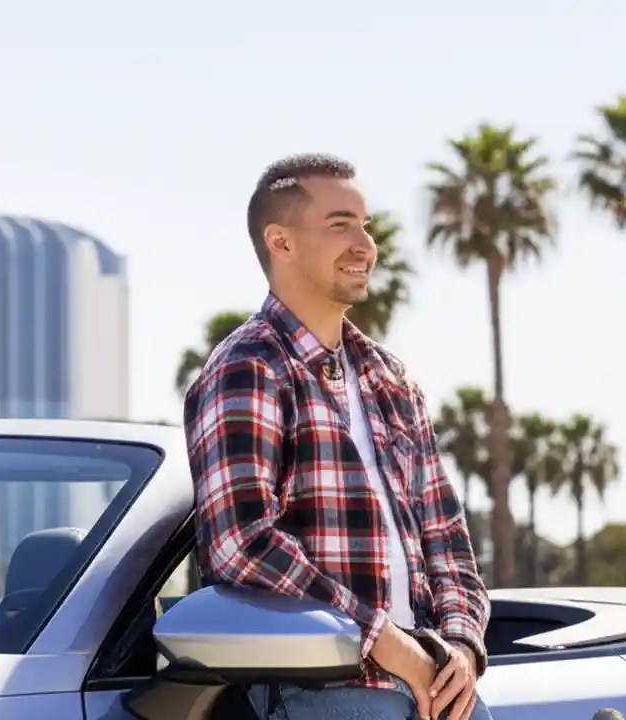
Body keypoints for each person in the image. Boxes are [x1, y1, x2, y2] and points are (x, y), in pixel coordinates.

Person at [183, 153, 493, 720]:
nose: (365, 244)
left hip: (444, 699)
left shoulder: (390, 378)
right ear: (281, 242)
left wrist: (462, 650)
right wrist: (388, 642)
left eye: (365, 225)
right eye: (340, 224)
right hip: (324, 697)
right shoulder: (248, 368)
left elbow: (448, 542)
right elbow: (242, 543)